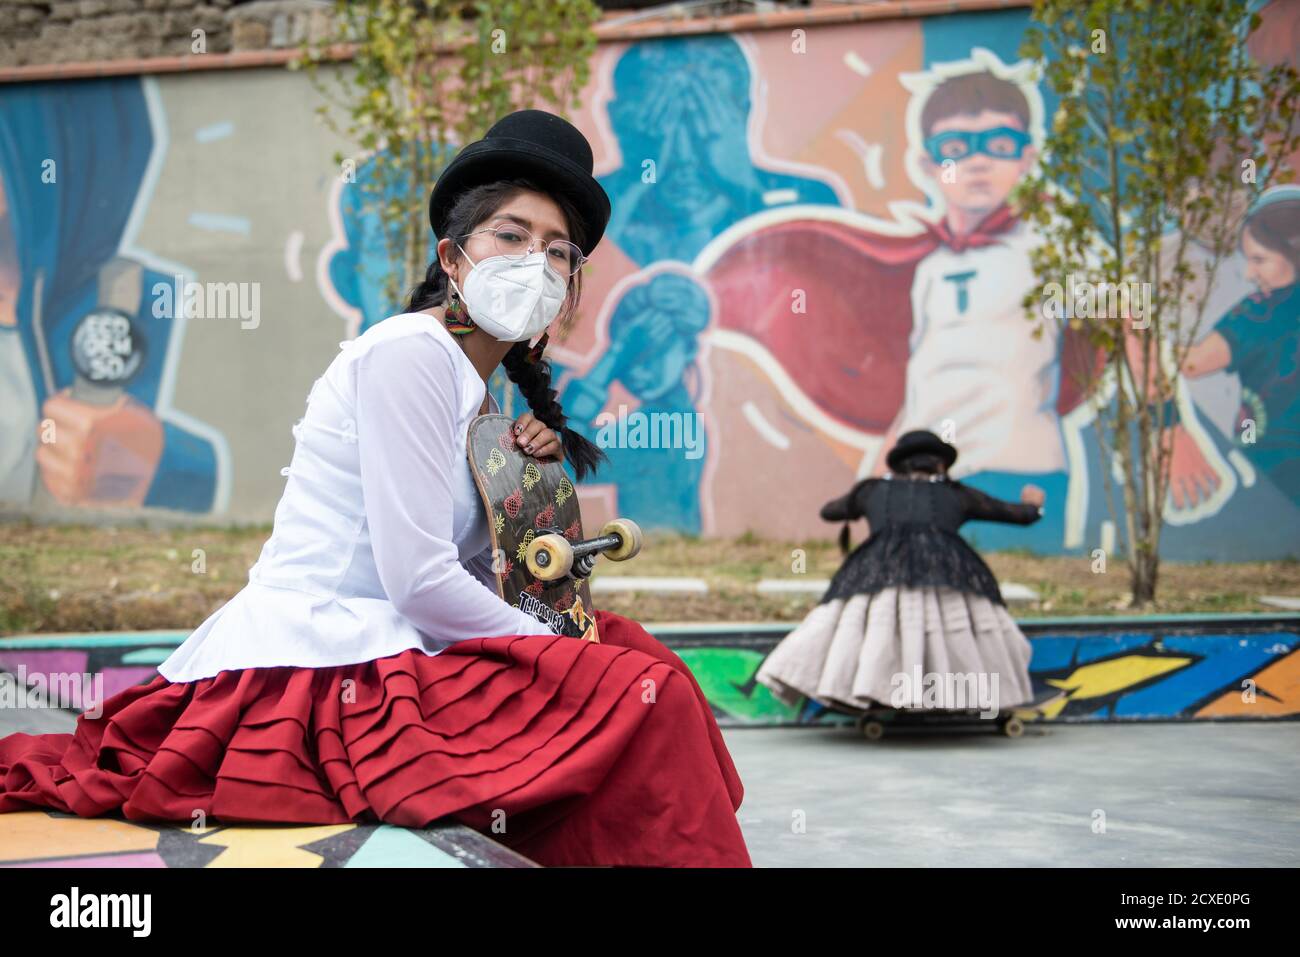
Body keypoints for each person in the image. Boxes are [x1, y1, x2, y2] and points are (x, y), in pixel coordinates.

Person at [0, 110, 751, 869]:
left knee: (640, 662)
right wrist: (549, 650)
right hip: (323, 662)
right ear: (453, 259)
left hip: (396, 642)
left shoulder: (477, 393)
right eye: (513, 236)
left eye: (558, 252)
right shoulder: (408, 356)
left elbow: (485, 573)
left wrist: (528, 486)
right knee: (632, 689)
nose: (536, 262)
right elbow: (418, 579)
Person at [756, 430, 1041, 717]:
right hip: (947, 573)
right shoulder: (955, 493)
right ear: (940, 463)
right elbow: (1017, 515)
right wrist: (1034, 505)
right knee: (956, 633)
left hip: (879, 572)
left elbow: (830, 512)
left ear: (897, 463)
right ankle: (956, 697)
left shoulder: (874, 489)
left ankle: (873, 693)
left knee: (864, 627)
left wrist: (865, 498)